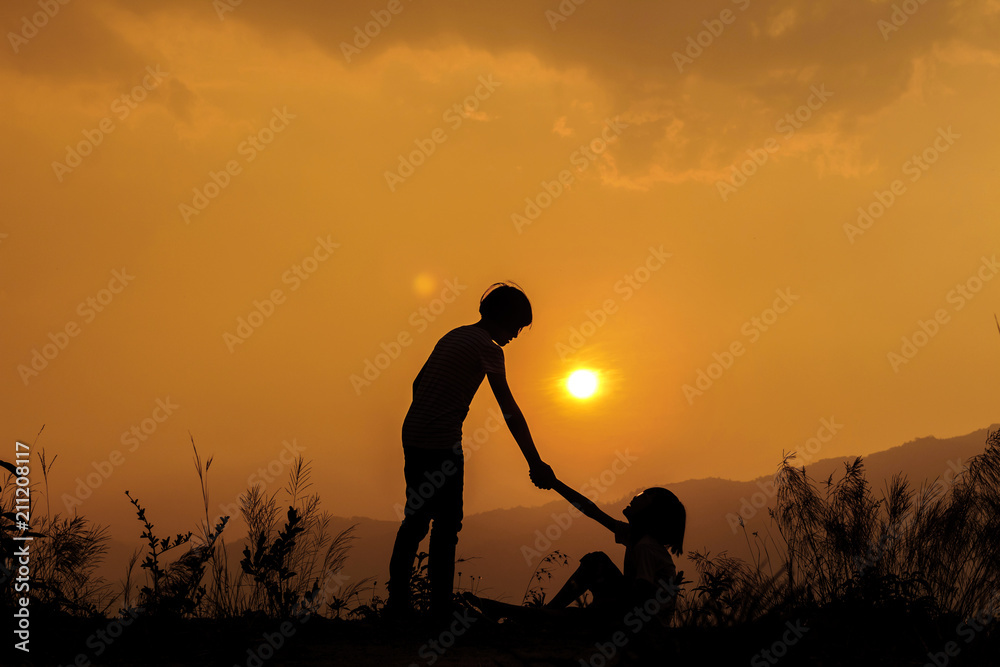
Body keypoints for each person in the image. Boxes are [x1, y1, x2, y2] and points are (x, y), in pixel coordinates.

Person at [387, 282, 556, 620]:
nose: (516, 335)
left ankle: (398, 605)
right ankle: (438, 611)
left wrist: (430, 411)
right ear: (504, 319)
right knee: (448, 526)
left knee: (416, 520)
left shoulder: (453, 336)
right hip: (440, 441)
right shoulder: (489, 349)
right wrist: (535, 462)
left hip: (414, 432)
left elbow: (417, 384)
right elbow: (508, 408)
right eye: (517, 327)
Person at [467, 479, 685, 641]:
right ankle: (538, 615)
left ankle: (529, 615)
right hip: (631, 615)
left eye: (644, 496)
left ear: (652, 514)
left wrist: (604, 610)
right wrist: (554, 483)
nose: (636, 496)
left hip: (642, 625)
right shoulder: (634, 536)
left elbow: (642, 593)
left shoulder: (646, 547)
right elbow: (591, 510)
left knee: (575, 608)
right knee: (595, 562)